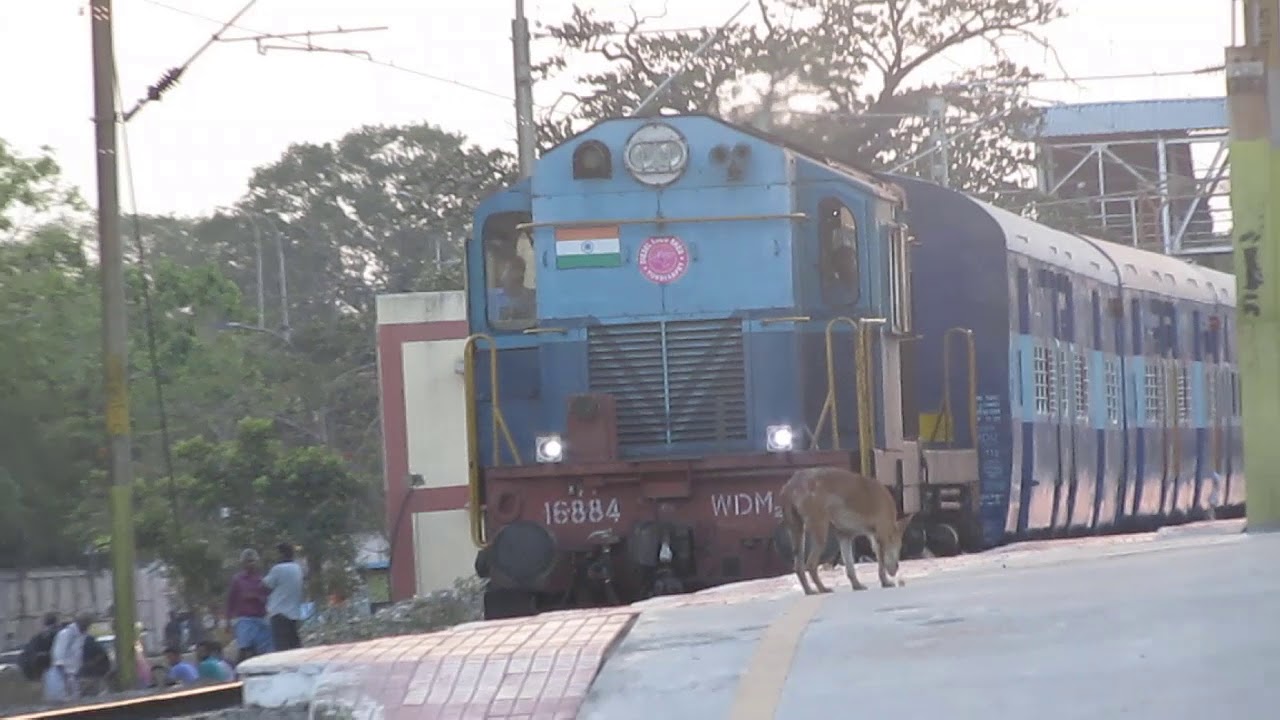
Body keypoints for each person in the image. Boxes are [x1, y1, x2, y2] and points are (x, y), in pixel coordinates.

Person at [225, 548, 273, 664]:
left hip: (260, 618)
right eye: (248, 561)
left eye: (253, 561)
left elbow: (269, 598)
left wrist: (257, 597)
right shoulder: (238, 580)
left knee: (264, 650)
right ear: (243, 563)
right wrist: (228, 620)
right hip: (245, 619)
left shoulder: (262, 580)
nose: (251, 564)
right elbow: (231, 600)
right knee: (245, 648)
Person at [262, 542, 304, 652]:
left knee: (281, 649)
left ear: (281, 554)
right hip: (294, 614)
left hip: (279, 614)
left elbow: (265, 586)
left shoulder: (278, 569)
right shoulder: (297, 568)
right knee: (294, 647)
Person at [44, 611, 93, 702]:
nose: (88, 626)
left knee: (74, 699)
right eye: (87, 623)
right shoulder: (66, 634)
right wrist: (64, 673)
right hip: (65, 674)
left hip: (73, 673)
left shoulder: (81, 635)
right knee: (64, 700)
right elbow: (59, 655)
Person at [19, 612, 60, 683]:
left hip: (40, 674)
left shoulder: (38, 637)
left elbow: (26, 657)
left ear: (43, 624)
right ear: (56, 623)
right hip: (55, 673)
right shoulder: (60, 635)